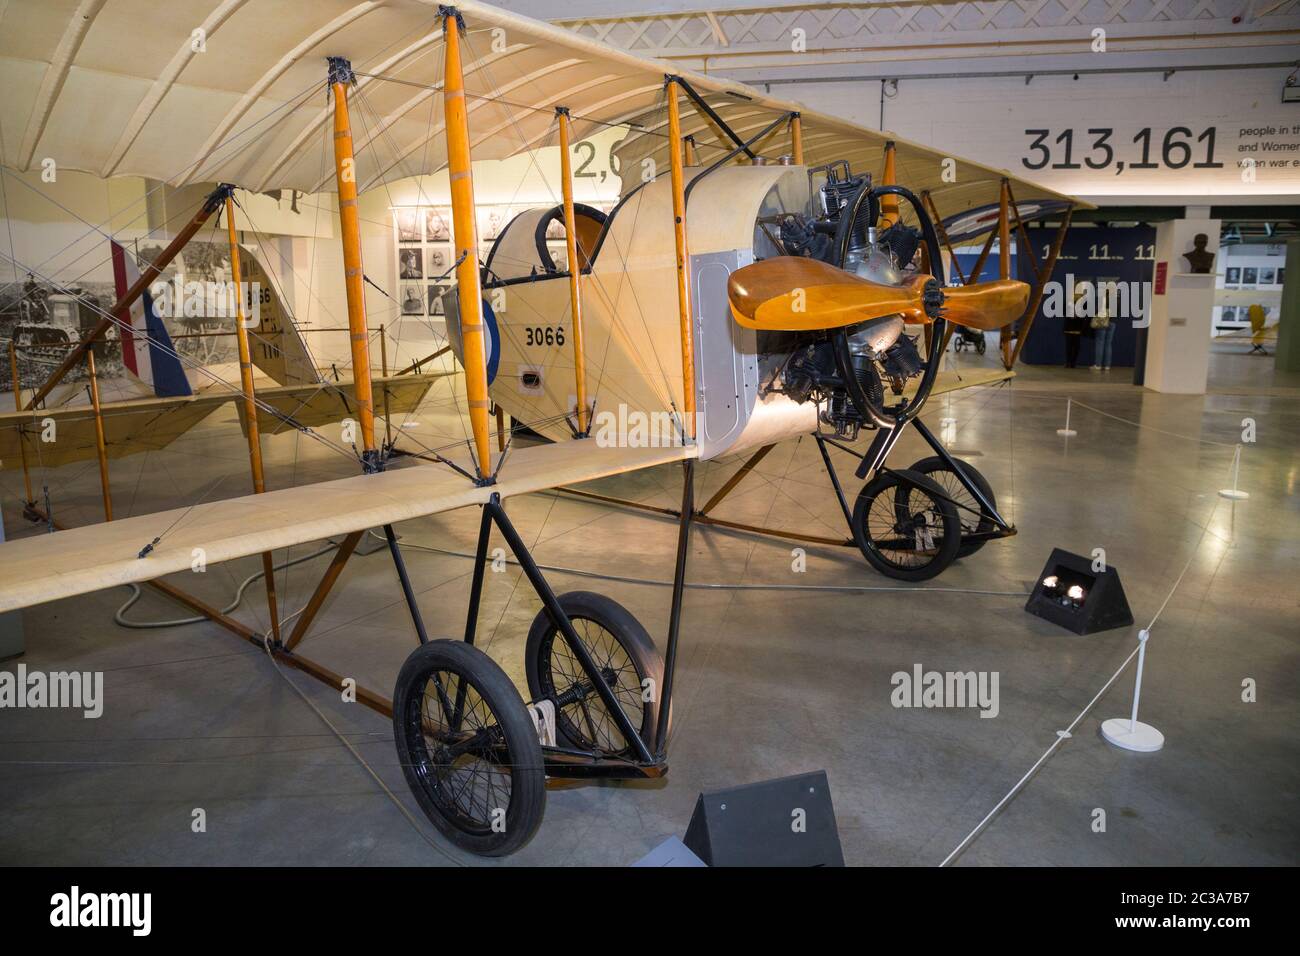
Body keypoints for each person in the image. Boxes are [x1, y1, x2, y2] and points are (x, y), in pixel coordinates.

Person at [1063, 280, 1087, 368]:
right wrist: (1070, 315)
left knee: (1076, 345)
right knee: (1069, 345)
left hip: (1078, 325)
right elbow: (1063, 311)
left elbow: (1086, 312)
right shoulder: (1068, 299)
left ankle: (1073, 362)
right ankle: (1068, 362)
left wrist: (1078, 315)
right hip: (1069, 324)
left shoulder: (1083, 300)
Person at [1090, 292, 1115, 371]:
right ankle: (1107, 366)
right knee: (1108, 344)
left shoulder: (1102, 298)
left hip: (1102, 321)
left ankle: (1098, 365)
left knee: (1100, 343)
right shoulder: (1117, 299)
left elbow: (1098, 309)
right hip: (1112, 322)